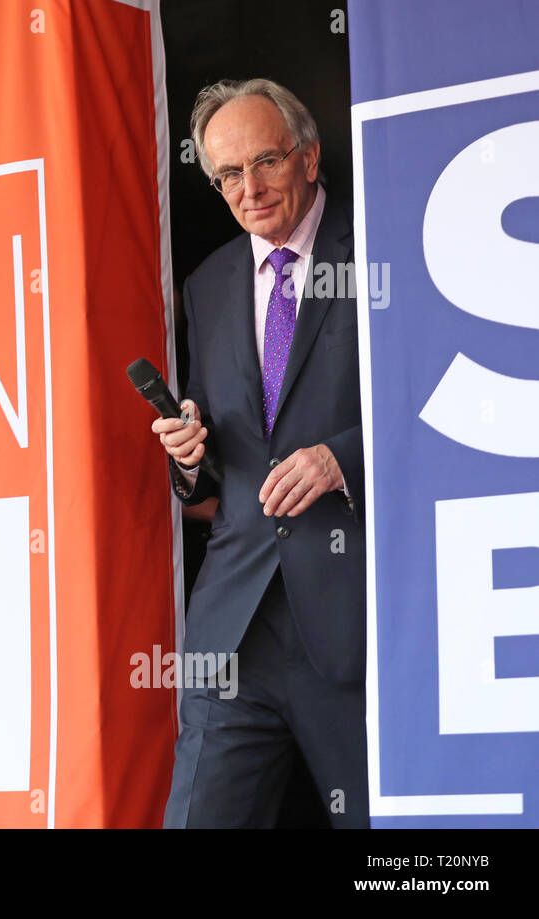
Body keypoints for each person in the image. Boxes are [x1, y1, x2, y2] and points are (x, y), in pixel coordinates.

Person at [154, 78, 368, 828]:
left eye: (266, 162)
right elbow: (217, 466)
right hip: (233, 630)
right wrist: (187, 456)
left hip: (356, 619)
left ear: (309, 156)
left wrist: (341, 458)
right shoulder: (208, 284)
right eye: (227, 176)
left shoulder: (380, 247)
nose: (249, 189)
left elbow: (428, 404)